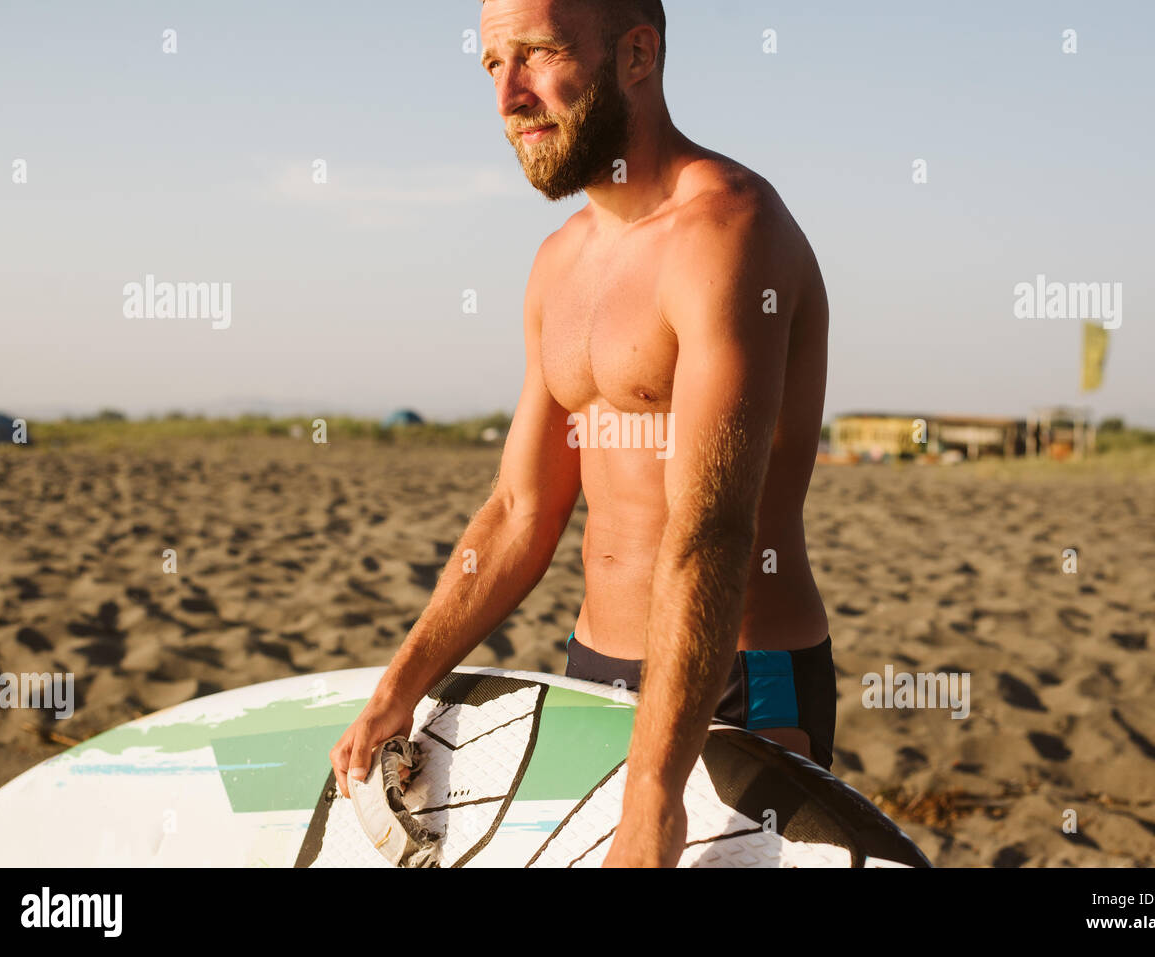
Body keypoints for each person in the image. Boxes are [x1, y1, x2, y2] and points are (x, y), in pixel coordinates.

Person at [331, 0, 833, 867]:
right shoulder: (560, 262)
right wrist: (399, 684)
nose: (508, 97)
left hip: (740, 680)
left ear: (638, 53)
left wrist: (653, 792)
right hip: (592, 666)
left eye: (537, 55)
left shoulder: (730, 233)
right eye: (492, 65)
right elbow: (523, 509)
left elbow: (711, 526)